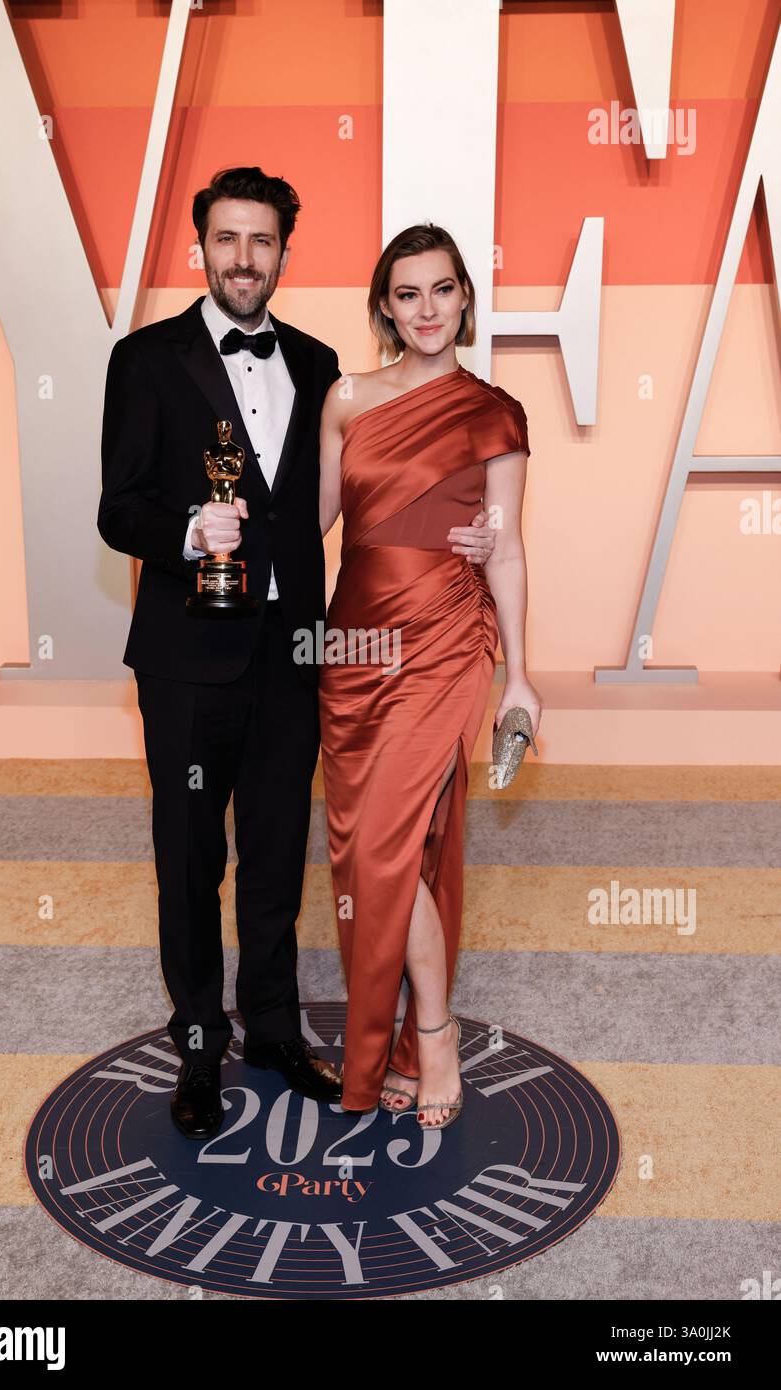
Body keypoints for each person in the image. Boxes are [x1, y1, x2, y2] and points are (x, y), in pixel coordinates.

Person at [98, 169, 497, 1139]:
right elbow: (119, 509)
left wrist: (463, 532)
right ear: (201, 248)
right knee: (190, 857)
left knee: (279, 852)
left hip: (298, 654)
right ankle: (198, 1041)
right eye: (228, 239)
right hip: (187, 657)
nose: (245, 257)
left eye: (263, 241)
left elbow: (364, 489)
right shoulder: (144, 358)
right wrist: (193, 530)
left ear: (283, 252)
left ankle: (272, 1027)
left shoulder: (323, 365)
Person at [318, 223, 543, 1129]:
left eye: (442, 290)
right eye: (407, 294)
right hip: (351, 644)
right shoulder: (347, 399)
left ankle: (434, 1035)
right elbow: (312, 526)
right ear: (383, 305)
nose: (426, 310)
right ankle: (402, 1039)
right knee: (371, 847)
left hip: (445, 639)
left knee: (384, 842)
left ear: (464, 298)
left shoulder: (494, 411)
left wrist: (520, 678)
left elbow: (509, 545)